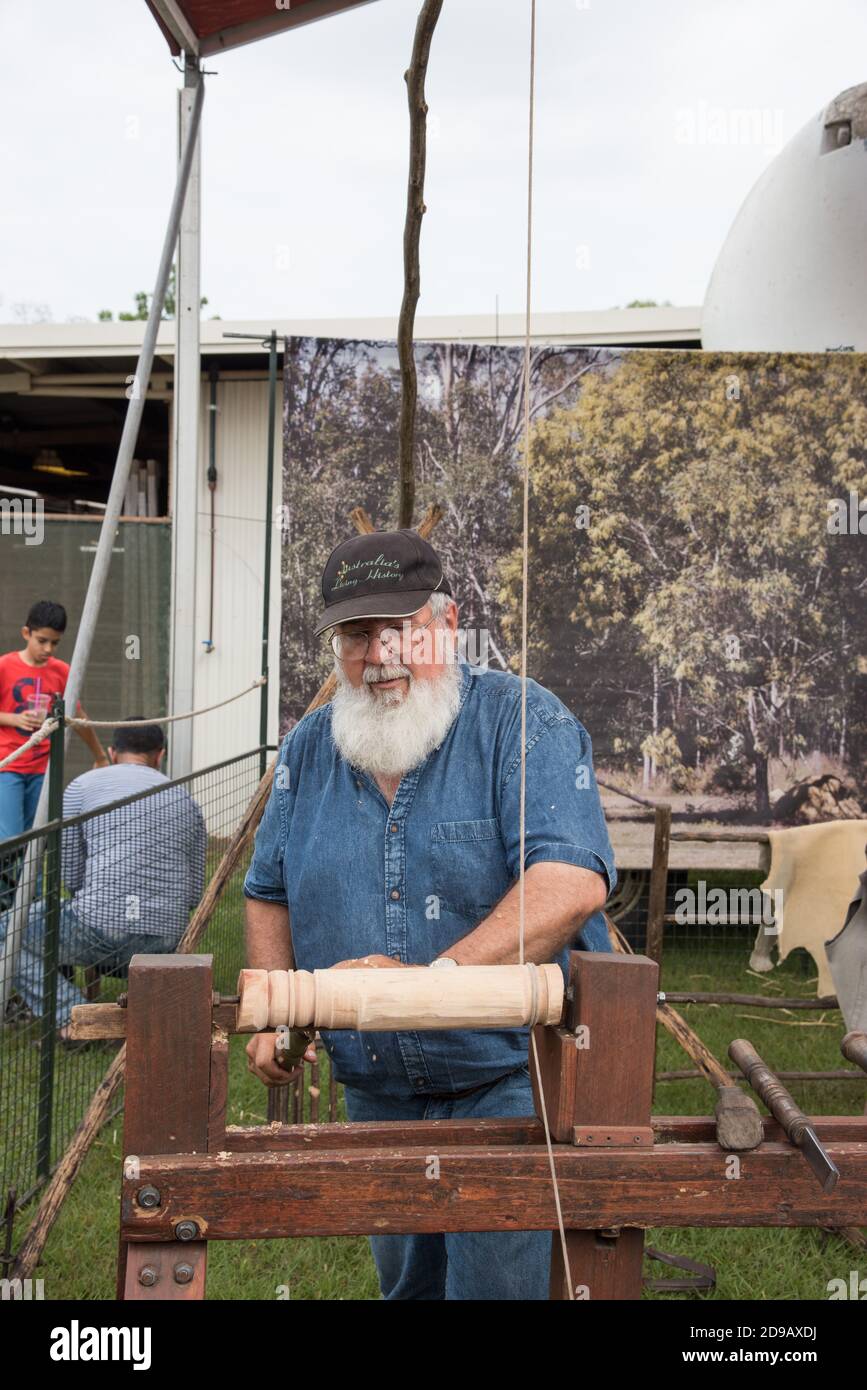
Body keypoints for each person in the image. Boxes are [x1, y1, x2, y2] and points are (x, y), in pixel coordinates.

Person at [243, 529, 616, 1301]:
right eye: (355, 634)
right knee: (407, 1289)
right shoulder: (311, 748)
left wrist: (426, 986)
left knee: (494, 1293)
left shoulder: (522, 722)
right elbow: (267, 889)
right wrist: (276, 1011)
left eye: (399, 628)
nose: (379, 654)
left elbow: (569, 882)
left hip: (513, 1080)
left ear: (445, 622)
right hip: (376, 1089)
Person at [0, 719, 207, 1041]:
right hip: (165, 942)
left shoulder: (82, 786)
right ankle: (118, 1017)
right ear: (160, 755)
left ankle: (74, 1019)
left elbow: (69, 871)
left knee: (5, 932)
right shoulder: (187, 801)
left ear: (112, 752)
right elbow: (194, 893)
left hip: (98, 929)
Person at [0, 600, 108, 909]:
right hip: (8, 765)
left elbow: (77, 714)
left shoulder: (61, 671)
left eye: (55, 643)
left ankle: (31, 908)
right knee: (10, 839)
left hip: (42, 769)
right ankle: (7, 909)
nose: (48, 649)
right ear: (26, 633)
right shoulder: (5, 666)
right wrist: (13, 719)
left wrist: (100, 755)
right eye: (42, 640)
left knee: (38, 838)